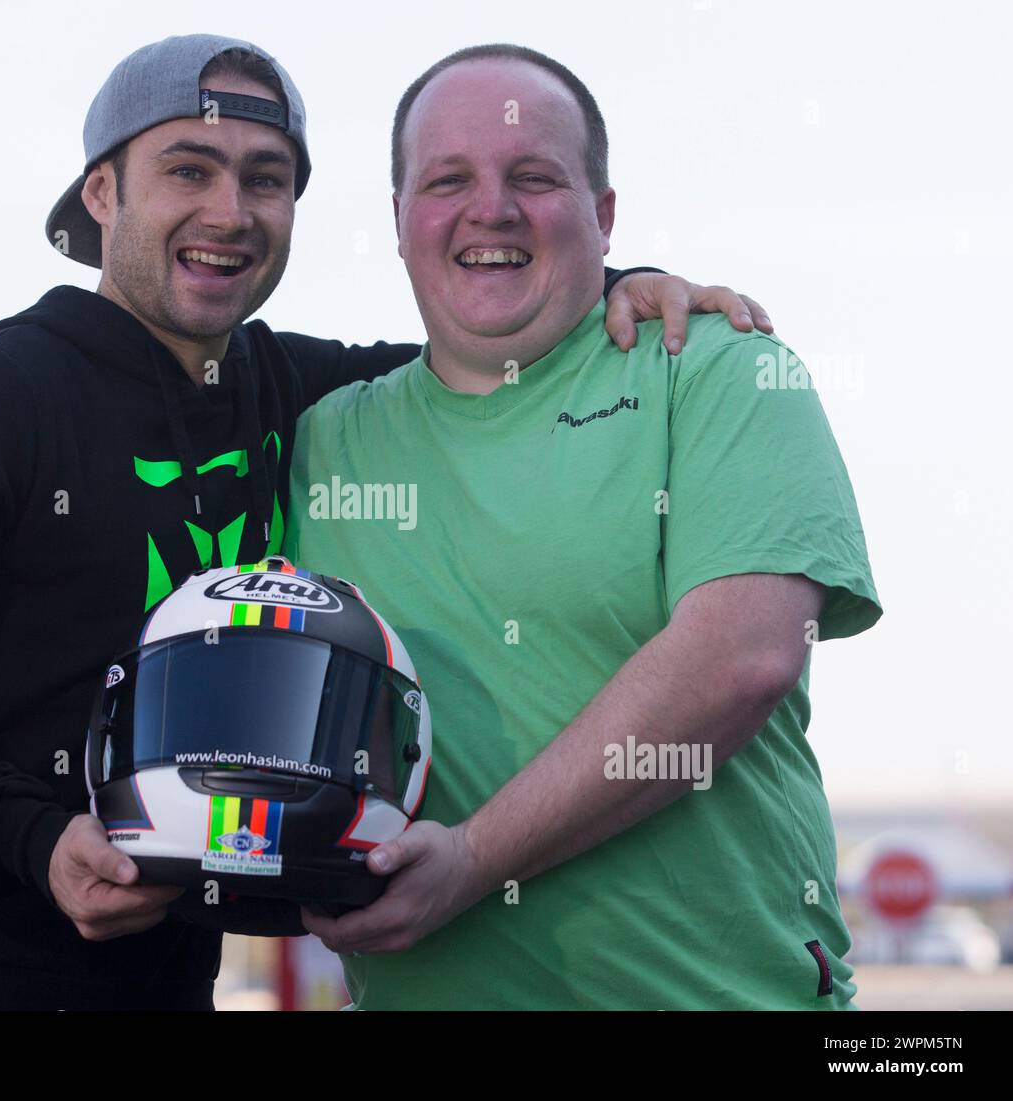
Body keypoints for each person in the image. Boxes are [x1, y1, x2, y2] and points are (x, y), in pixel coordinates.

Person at [0, 34, 775, 1011]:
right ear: (100, 193)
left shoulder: (293, 390)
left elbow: (485, 341)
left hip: (168, 984)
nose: (230, 213)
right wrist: (31, 842)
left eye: (266, 179)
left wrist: (621, 284)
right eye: (187, 170)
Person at [287, 43, 882, 1010]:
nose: (493, 209)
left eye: (535, 177)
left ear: (604, 215)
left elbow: (743, 656)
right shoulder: (319, 441)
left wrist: (472, 861)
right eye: (448, 181)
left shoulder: (717, 369)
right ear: (396, 220)